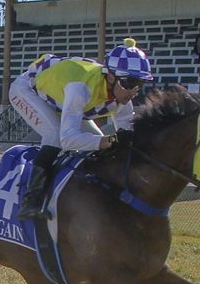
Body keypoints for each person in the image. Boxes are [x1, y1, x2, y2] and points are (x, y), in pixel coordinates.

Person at [8, 38, 152, 220]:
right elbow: (68, 140)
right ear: (110, 76)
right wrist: (107, 141)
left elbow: (125, 134)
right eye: (130, 83)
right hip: (28, 89)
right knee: (55, 135)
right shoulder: (81, 88)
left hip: (62, 98)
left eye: (140, 84)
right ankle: (31, 200)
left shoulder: (120, 93)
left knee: (100, 143)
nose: (133, 91)